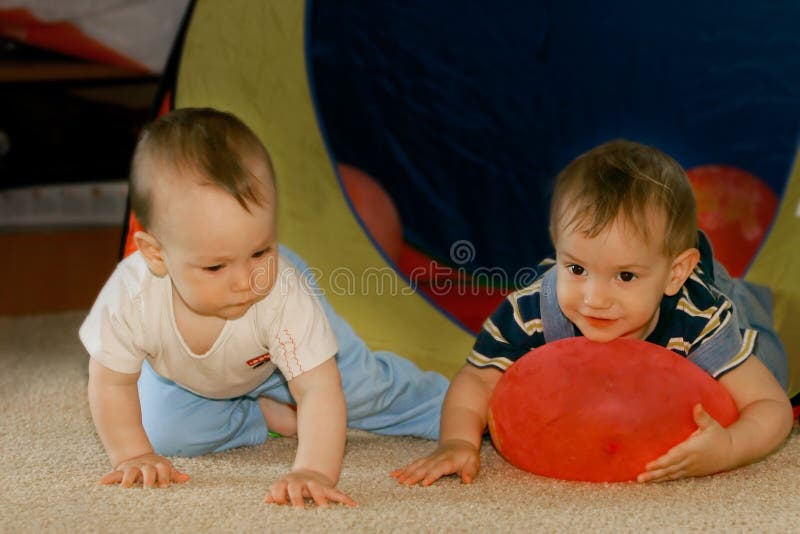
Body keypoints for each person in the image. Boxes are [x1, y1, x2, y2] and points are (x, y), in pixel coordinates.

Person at [80, 107, 448, 507]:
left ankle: (459, 402)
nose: (245, 281)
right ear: (156, 255)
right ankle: (262, 415)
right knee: (166, 433)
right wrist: (133, 456)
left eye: (260, 250)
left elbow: (319, 389)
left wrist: (313, 470)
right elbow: (110, 382)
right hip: (195, 377)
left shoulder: (278, 289)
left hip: (280, 345)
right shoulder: (132, 296)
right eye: (215, 266)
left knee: (362, 394)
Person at [391, 139, 794, 486]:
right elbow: (478, 379)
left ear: (674, 274)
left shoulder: (697, 314)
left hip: (721, 303)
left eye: (624, 275)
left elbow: (770, 407)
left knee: (768, 365)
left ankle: (751, 294)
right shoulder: (531, 309)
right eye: (577, 268)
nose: (594, 299)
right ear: (557, 249)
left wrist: (730, 449)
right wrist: (458, 441)